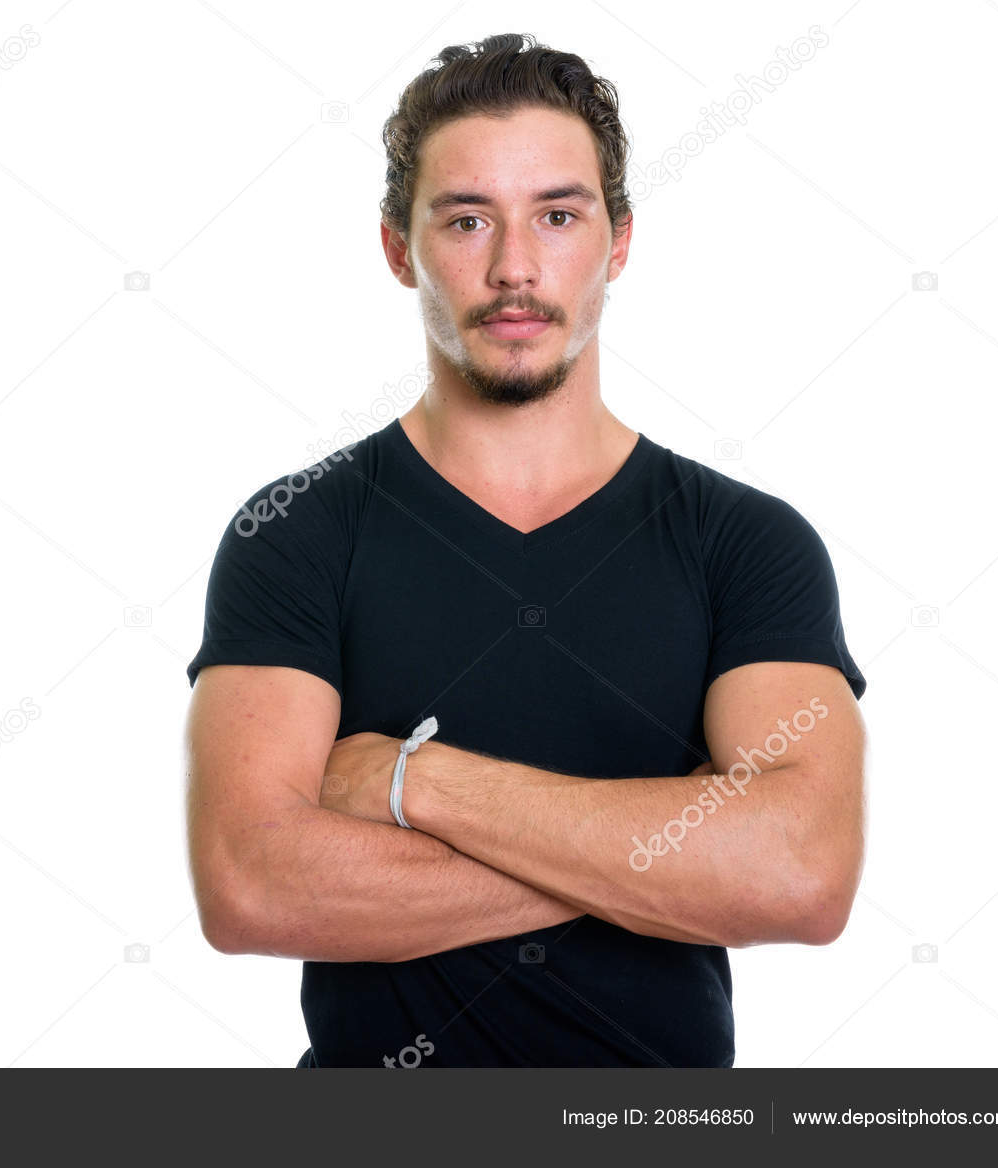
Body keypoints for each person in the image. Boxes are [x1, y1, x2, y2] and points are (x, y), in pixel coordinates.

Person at [183, 32, 867, 1067]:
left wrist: (413, 785)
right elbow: (248, 884)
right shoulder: (296, 535)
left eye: (557, 214)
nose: (514, 267)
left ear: (619, 240)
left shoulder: (745, 543)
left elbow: (802, 875)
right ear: (397, 247)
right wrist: (657, 865)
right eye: (466, 220)